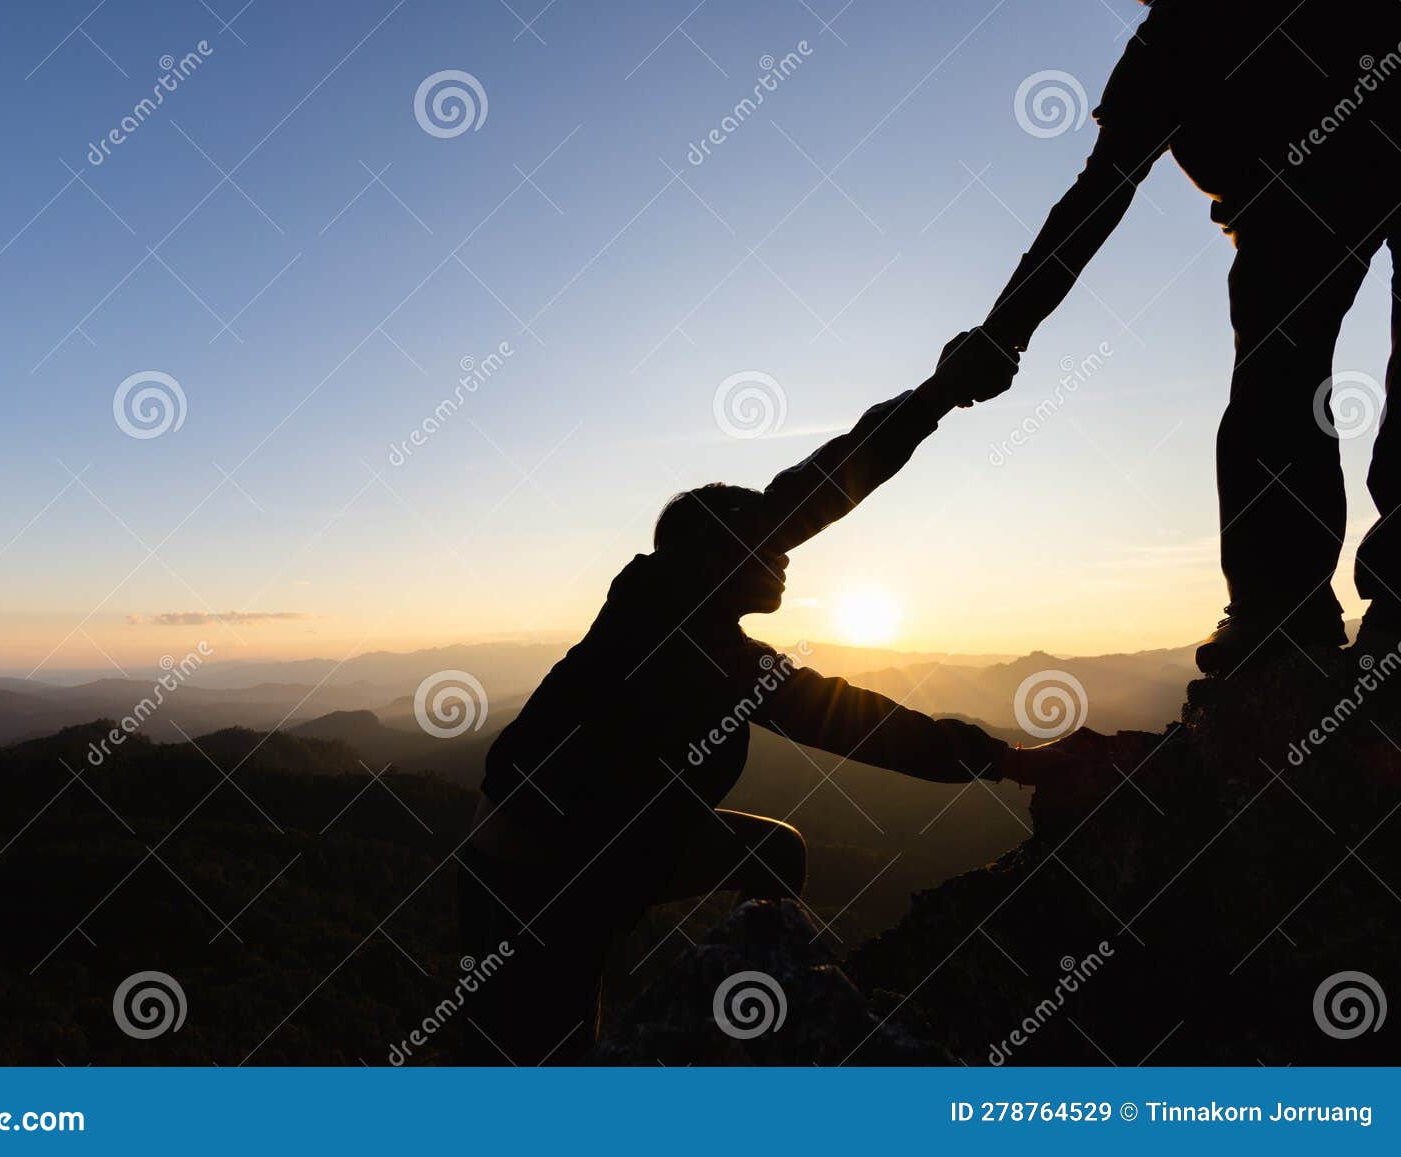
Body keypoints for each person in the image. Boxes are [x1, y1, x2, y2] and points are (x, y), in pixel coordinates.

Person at [456, 334, 1076, 1065]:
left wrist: (1008, 759)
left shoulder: (706, 636)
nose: (783, 554)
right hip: (531, 879)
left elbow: (870, 719)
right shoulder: (660, 609)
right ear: (710, 557)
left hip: (604, 852)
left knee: (772, 853)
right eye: (760, 540)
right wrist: (937, 394)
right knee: (532, 1073)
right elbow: (822, 493)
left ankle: (757, 1015)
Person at [956, 0, 1401, 672]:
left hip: (1328, 181)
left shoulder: (1184, 37)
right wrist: (1004, 332)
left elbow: (1099, 193)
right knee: (1275, 376)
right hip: (1296, 205)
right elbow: (1100, 192)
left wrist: (1004, 334)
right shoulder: (1174, 43)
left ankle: (1283, 610)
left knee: (1275, 375)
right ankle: (1285, 611)